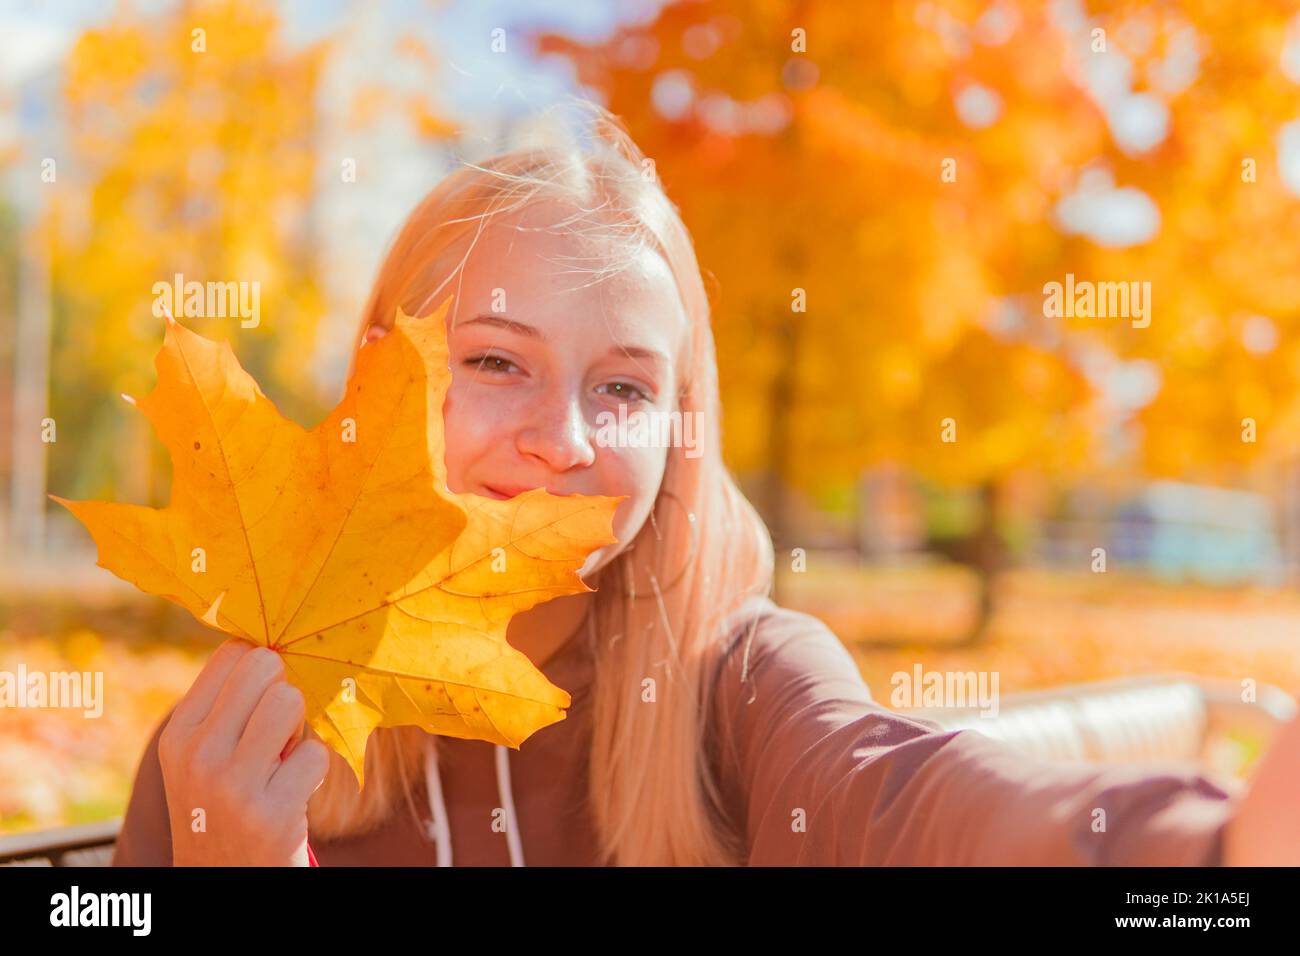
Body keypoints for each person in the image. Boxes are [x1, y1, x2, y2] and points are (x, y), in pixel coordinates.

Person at [111, 101, 1297, 867]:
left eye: (623, 388)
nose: (563, 437)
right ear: (381, 375)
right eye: (492, 360)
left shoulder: (730, 679)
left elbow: (897, 795)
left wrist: (1202, 850)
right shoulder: (234, 743)